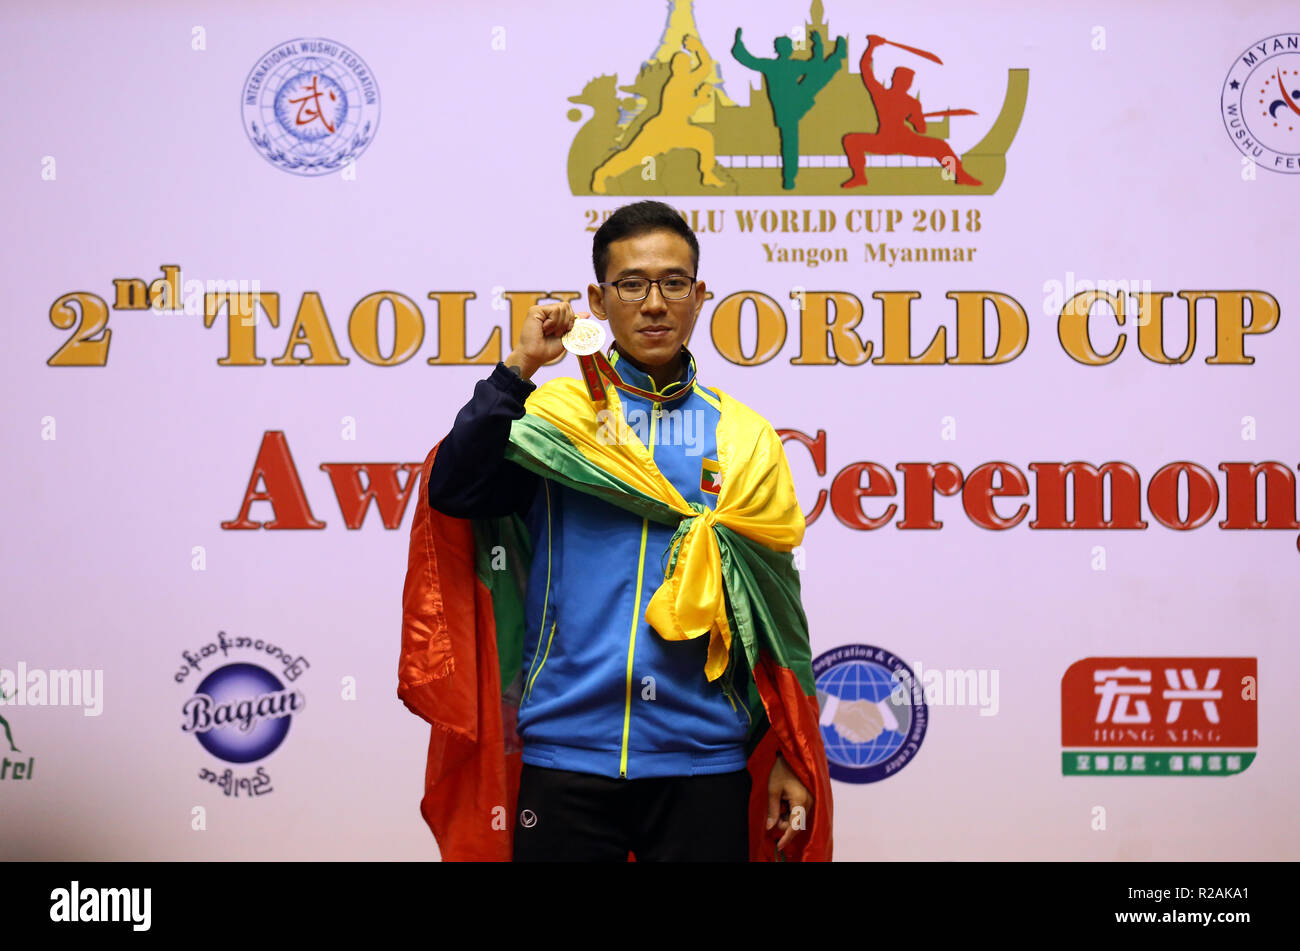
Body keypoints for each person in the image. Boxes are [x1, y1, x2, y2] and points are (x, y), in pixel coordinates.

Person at [400, 200, 832, 862]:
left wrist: (794, 752)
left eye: (673, 282)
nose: (654, 303)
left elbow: (776, 616)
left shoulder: (743, 436)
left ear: (700, 296)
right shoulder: (557, 419)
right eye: (632, 284)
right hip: (566, 755)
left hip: (703, 759)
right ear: (599, 301)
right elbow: (455, 491)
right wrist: (517, 370)